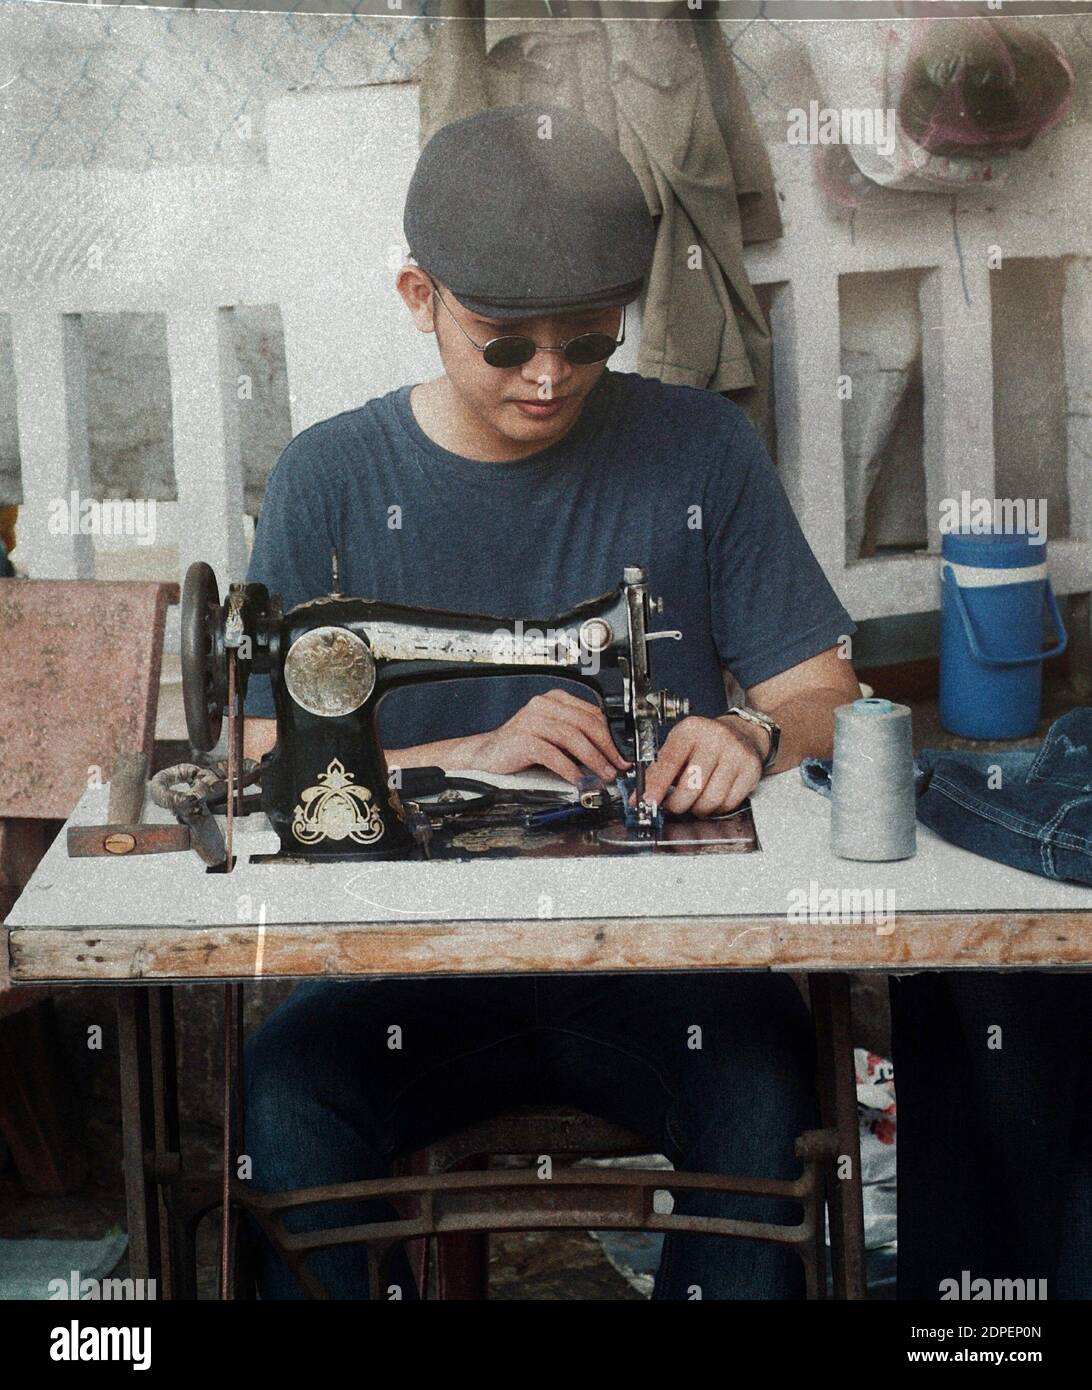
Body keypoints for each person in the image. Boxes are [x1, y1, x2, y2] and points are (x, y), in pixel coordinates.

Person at [239, 103, 862, 1300]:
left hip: (658, 966)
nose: (549, 377)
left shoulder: (698, 449)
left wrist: (751, 729)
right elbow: (268, 759)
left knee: (763, 1087)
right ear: (419, 296)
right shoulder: (330, 476)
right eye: (509, 343)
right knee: (283, 1093)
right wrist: (476, 754)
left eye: (589, 342)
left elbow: (823, 687)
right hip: (408, 968)